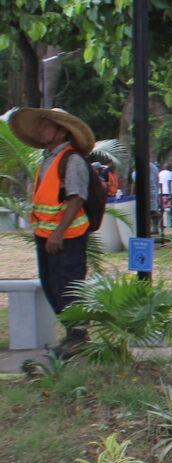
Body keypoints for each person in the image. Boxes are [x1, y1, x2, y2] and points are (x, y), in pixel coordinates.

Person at [11, 108, 95, 357]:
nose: (40, 130)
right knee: (52, 286)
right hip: (47, 235)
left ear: (61, 131)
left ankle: (78, 338)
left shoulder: (72, 160)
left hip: (66, 237)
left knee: (68, 285)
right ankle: (71, 336)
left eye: (46, 126)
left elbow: (77, 198)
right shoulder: (49, 158)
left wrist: (58, 233)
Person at [157, 161, 172, 226]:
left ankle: (161, 223)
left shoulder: (160, 173)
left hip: (161, 192)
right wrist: (170, 194)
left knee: (161, 208)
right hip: (168, 192)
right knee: (171, 208)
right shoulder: (170, 173)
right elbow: (169, 183)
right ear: (170, 167)